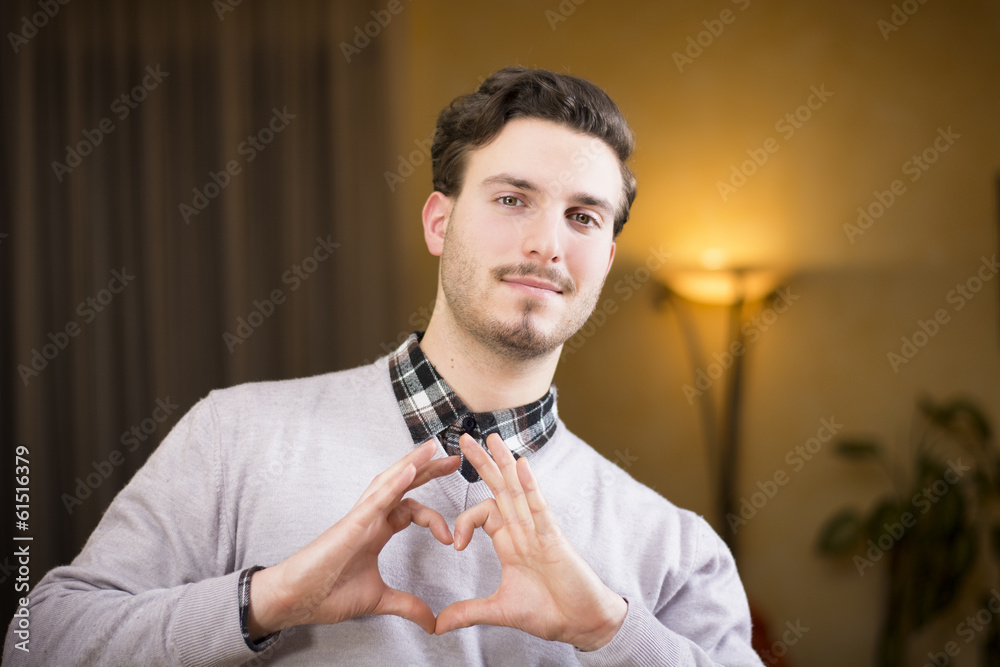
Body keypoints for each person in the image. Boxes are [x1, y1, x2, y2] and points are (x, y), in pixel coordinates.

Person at [5, 67, 764, 666]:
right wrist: (267, 599)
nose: (548, 245)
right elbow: (36, 643)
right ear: (440, 221)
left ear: (606, 256)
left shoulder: (676, 547)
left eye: (582, 216)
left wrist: (608, 630)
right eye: (511, 199)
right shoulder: (234, 435)